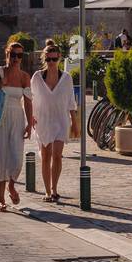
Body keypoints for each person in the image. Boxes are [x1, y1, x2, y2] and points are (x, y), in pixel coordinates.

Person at [0, 40, 34, 211]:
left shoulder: (25, 76)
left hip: (17, 117)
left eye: (19, 55)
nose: (16, 58)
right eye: (13, 54)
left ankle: (12, 185)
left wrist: (29, 122)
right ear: (7, 54)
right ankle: (1, 199)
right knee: (0, 156)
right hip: (0, 118)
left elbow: (29, 102)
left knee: (17, 158)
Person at [30, 40, 76, 203]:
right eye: (48, 59)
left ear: (59, 59)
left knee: (57, 155)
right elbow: (30, 98)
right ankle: (47, 191)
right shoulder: (37, 77)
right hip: (43, 120)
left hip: (61, 121)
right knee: (45, 156)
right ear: (44, 59)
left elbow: (71, 102)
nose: (51, 63)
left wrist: (75, 124)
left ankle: (55, 189)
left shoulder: (67, 78)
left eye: (54, 59)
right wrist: (30, 118)